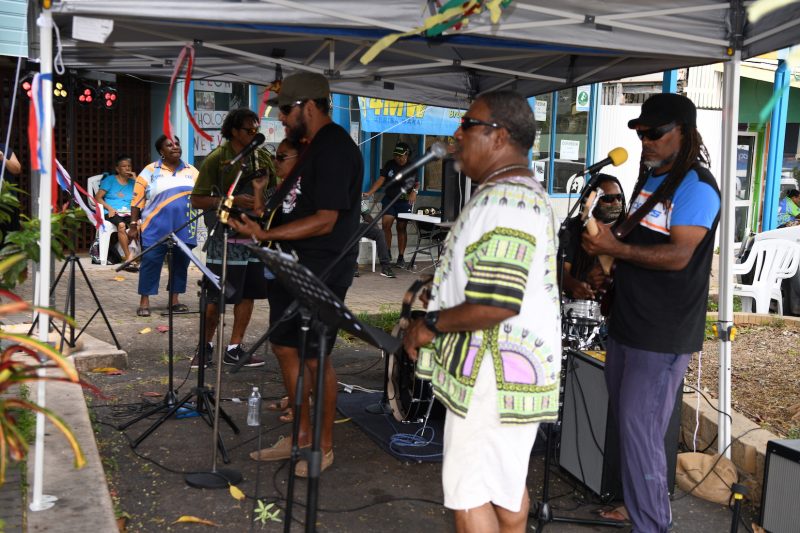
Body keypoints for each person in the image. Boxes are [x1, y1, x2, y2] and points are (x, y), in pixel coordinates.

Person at [402, 91, 561, 532]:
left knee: (469, 490)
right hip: (507, 375)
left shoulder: (503, 202)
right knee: (506, 489)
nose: (457, 134)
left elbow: (495, 302)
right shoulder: (518, 194)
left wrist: (428, 325)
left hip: (490, 377)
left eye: (467, 124)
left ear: (499, 136)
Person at [582, 93, 720, 533]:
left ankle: (652, 524)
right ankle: (638, 503)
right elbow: (641, 242)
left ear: (685, 132)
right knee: (631, 425)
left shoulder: (697, 187)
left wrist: (614, 248)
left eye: (655, 133)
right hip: (629, 320)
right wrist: (609, 267)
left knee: (640, 427)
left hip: (661, 330)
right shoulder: (652, 180)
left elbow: (679, 255)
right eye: (641, 133)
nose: (646, 140)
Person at [229, 72, 362, 477]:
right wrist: (261, 220)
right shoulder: (310, 148)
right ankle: (300, 437)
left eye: (286, 110)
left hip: (323, 270)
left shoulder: (336, 148)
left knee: (316, 359)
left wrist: (266, 232)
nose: (281, 120)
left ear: (309, 106)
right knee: (286, 349)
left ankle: (322, 447)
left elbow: (325, 220)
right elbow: (298, 206)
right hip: (291, 265)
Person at [191, 108, 275, 368]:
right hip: (224, 238)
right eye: (249, 130)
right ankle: (204, 346)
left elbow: (274, 190)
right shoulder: (218, 159)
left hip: (255, 236)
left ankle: (235, 348)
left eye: (256, 129)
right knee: (216, 297)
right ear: (234, 131)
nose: (254, 134)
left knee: (247, 294)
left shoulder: (262, 157)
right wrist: (232, 200)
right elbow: (197, 199)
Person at [128, 136, 199, 317]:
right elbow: (136, 200)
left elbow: (201, 196)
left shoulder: (192, 171)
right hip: (155, 227)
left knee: (180, 264)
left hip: (185, 226)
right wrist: (133, 225)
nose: (175, 147)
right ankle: (145, 302)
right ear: (161, 151)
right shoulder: (150, 171)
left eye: (177, 144)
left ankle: (174, 301)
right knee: (150, 262)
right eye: (169, 145)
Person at [559, 174, 626, 300]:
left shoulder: (629, 229)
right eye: (608, 198)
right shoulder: (573, 228)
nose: (616, 202)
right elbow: (561, 269)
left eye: (619, 197)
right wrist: (576, 284)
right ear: (591, 199)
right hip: (580, 306)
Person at [362, 141, 418, 268]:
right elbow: (381, 180)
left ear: (406, 155)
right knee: (386, 225)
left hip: (404, 201)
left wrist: (414, 192)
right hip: (389, 200)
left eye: (400, 155)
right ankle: (386, 254)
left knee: (401, 228)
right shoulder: (390, 164)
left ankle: (401, 257)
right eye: (396, 155)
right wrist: (370, 193)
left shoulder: (412, 166)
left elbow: (416, 183)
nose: (397, 158)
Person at [95, 155, 138, 269]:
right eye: (124, 166)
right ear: (117, 169)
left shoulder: (133, 182)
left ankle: (134, 254)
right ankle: (129, 257)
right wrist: (109, 208)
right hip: (113, 212)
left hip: (130, 212)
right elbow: (98, 197)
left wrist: (136, 180)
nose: (127, 168)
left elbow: (143, 196)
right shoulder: (110, 180)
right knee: (121, 226)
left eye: (129, 166)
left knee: (140, 225)